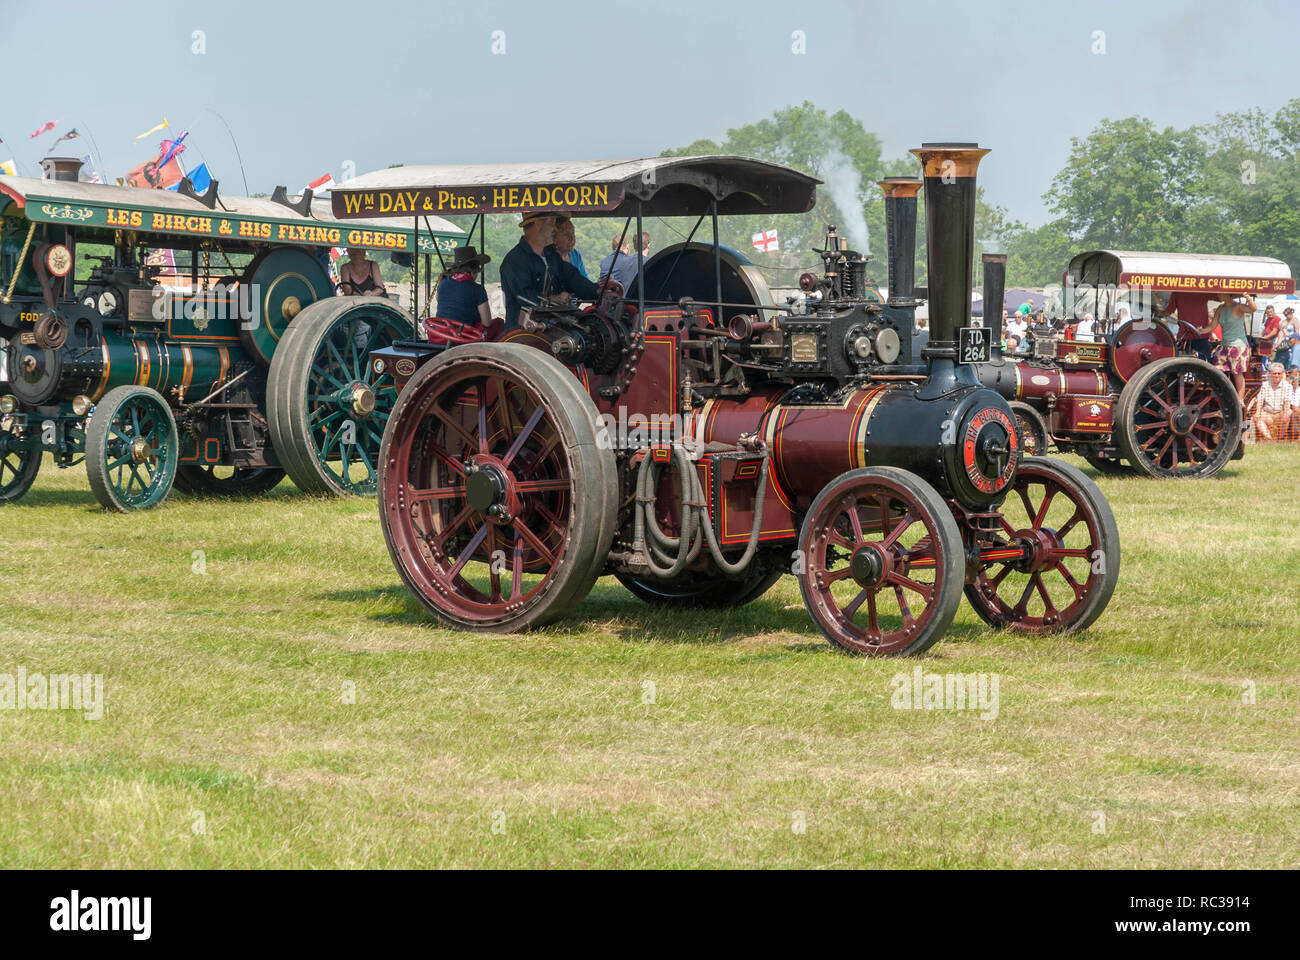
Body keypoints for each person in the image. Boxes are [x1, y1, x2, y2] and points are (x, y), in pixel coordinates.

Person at [499, 211, 599, 329]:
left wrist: (598, 291)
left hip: (553, 328)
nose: (555, 229)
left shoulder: (552, 256)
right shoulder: (515, 260)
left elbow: (572, 278)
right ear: (538, 224)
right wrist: (552, 299)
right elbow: (524, 296)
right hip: (524, 334)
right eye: (552, 222)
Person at [430, 245, 493, 332]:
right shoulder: (477, 289)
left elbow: (440, 300)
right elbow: (487, 322)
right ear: (474, 269)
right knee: (498, 324)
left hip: (440, 335)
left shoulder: (443, 283)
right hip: (462, 337)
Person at [1213, 293, 1257, 404]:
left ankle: (1240, 399)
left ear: (1227, 295)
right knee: (1216, 369)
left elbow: (1253, 309)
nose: (1218, 295)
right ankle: (1224, 393)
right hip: (1224, 345)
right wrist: (1200, 331)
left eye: (1219, 293)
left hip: (1238, 346)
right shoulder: (1220, 308)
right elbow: (1212, 325)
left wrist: (1248, 298)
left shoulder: (1238, 306)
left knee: (1237, 372)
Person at [1157, 291, 1215, 362]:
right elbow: (1169, 310)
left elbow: (1221, 297)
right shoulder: (1177, 293)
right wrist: (1157, 312)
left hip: (1201, 337)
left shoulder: (1202, 290)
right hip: (1184, 337)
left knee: (1205, 363)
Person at [1250, 362, 1294, 442]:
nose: (1277, 375)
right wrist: (1258, 412)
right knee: (1257, 417)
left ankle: (1281, 439)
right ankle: (1269, 439)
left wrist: (1286, 411)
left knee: (1289, 412)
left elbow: (1287, 403)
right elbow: (1260, 401)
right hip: (1267, 412)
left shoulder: (1287, 386)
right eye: (1274, 373)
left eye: (1279, 373)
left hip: (1280, 412)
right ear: (1270, 374)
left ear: (1282, 374)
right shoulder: (1264, 385)